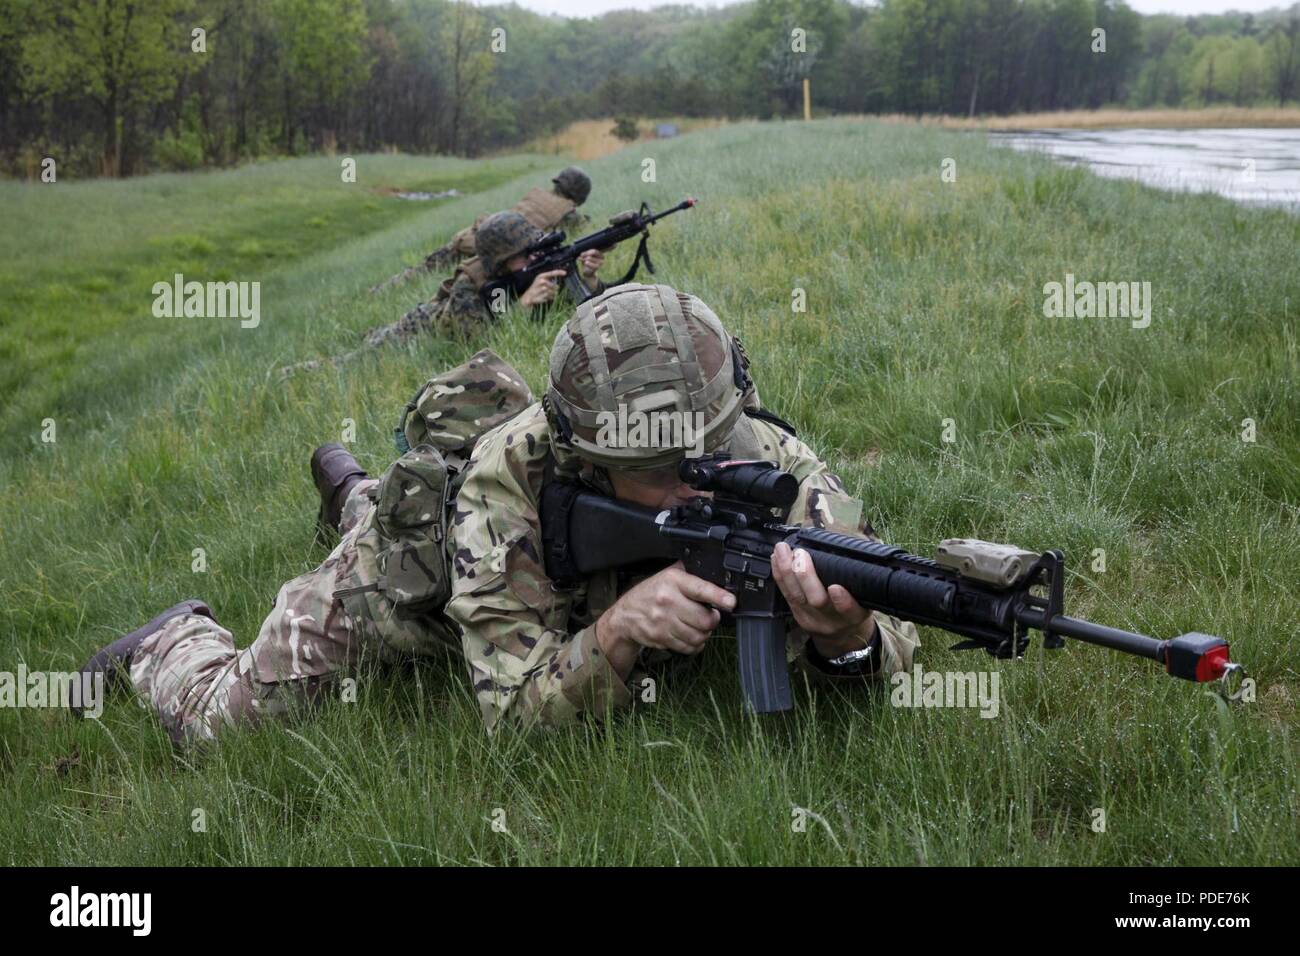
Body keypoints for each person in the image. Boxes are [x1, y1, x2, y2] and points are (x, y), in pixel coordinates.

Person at [76, 284, 918, 744]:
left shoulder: (767, 462)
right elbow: (510, 716)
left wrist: (849, 643)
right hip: (409, 593)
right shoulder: (507, 482)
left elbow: (894, 643)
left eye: (711, 449)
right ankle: (174, 635)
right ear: (586, 459)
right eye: (661, 472)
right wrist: (619, 633)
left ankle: (358, 491)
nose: (701, 481)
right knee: (222, 729)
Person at [278, 210, 604, 377]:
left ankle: (368, 333)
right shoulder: (469, 287)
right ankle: (289, 373)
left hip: (439, 320)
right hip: (418, 329)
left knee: (366, 339)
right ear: (501, 262)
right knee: (352, 362)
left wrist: (587, 279)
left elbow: (568, 307)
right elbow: (472, 346)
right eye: (523, 254)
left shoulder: (528, 270)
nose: (533, 258)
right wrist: (522, 306)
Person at [369, 166, 592, 294]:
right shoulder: (569, 214)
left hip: (479, 233)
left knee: (429, 265)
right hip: (503, 250)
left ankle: (384, 288)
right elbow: (581, 232)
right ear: (579, 195)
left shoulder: (536, 194)